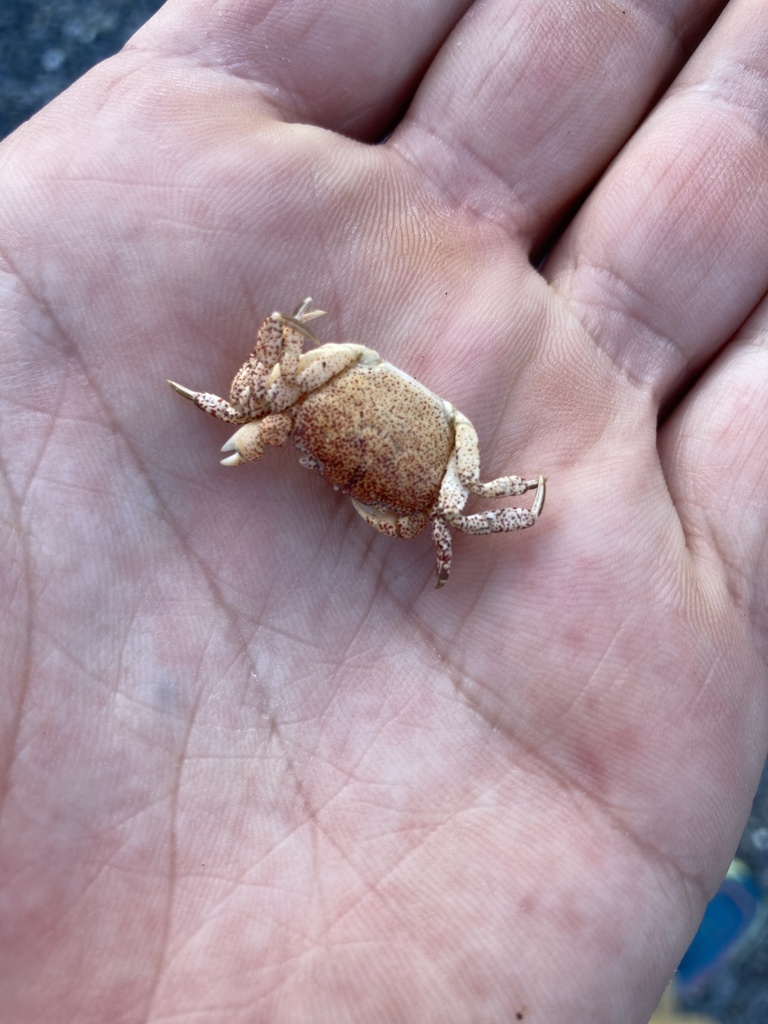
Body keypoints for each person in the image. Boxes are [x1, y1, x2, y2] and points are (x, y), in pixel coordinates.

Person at [1, 1, 766, 1021]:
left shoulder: (409, 474)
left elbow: (399, 481)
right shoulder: (369, 435)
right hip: (355, 405)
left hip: (371, 416)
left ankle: (671, 982)